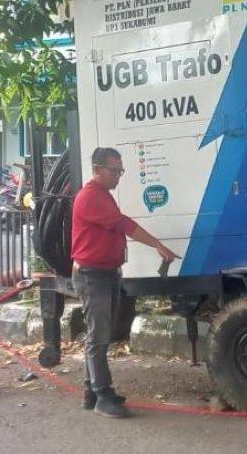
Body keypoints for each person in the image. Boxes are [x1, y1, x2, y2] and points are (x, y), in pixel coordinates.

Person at [71, 147, 179, 418]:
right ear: (97, 170)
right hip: (92, 276)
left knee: (100, 335)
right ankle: (102, 396)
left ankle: (91, 391)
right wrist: (158, 245)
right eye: (114, 171)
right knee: (98, 336)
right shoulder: (91, 197)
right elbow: (124, 225)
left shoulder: (102, 195)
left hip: (104, 273)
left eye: (120, 170)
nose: (119, 176)